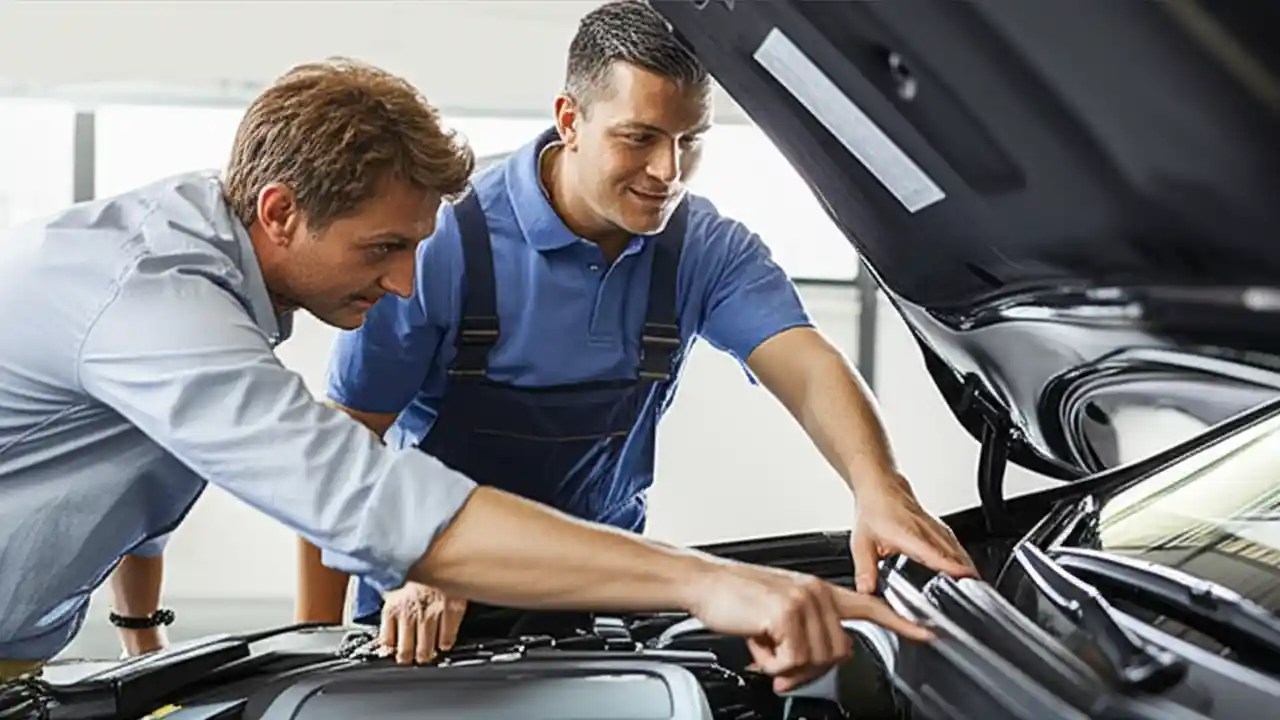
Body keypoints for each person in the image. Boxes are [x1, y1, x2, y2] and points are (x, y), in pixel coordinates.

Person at [0, 57, 932, 687]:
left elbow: (142, 471)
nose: (407, 280)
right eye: (384, 247)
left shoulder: (213, 277)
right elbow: (352, 486)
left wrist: (140, 633)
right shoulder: (155, 298)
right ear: (280, 212)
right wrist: (709, 583)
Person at [299, 0, 976, 666]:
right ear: (570, 119)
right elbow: (342, 445)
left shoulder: (704, 248)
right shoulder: (442, 239)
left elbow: (807, 366)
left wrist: (878, 484)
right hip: (421, 613)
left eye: (690, 140)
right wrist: (313, 642)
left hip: (593, 611)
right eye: (639, 137)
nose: (668, 172)